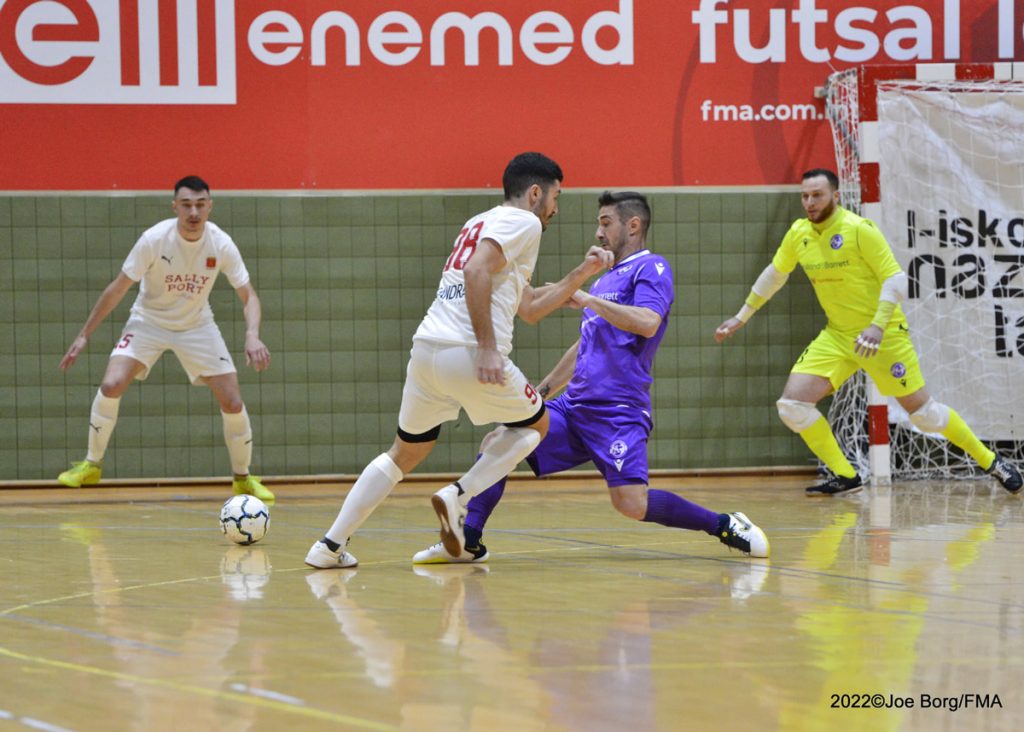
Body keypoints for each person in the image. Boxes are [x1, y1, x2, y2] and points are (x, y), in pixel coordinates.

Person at [412, 191, 770, 565]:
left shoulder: (652, 268)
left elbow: (648, 323)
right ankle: (469, 539)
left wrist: (587, 300)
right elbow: (586, 342)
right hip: (573, 407)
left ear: (632, 226)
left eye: (605, 223)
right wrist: (544, 389)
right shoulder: (604, 281)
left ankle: (724, 524)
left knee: (631, 504)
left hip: (617, 409)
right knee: (501, 439)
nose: (598, 233)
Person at [305, 152, 613, 569]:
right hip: (468, 351)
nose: (556, 208)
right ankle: (458, 495)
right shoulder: (524, 222)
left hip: (428, 349)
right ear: (536, 192)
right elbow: (475, 273)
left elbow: (532, 308)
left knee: (405, 452)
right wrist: (487, 347)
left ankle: (329, 545)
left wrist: (583, 271)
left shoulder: (480, 222)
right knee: (537, 425)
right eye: (556, 196)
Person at [715, 168, 1022, 496]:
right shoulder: (799, 233)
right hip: (838, 335)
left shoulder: (859, 229)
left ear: (836, 196)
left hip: (884, 335)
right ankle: (846, 475)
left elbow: (896, 279)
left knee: (924, 415)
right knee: (792, 405)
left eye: (817, 195)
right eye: (804, 196)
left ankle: (991, 461)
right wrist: (742, 315)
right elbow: (775, 274)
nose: (809, 202)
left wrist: (877, 326)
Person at [58, 176, 274, 503]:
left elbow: (250, 297)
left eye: (200, 205)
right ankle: (91, 464)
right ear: (175, 206)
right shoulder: (154, 240)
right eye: (186, 204)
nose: (193, 212)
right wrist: (83, 335)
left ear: (209, 207)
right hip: (148, 321)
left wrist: (252, 334)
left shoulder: (221, 244)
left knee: (231, 400)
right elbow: (117, 289)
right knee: (112, 383)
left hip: (197, 324)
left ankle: (242, 479)